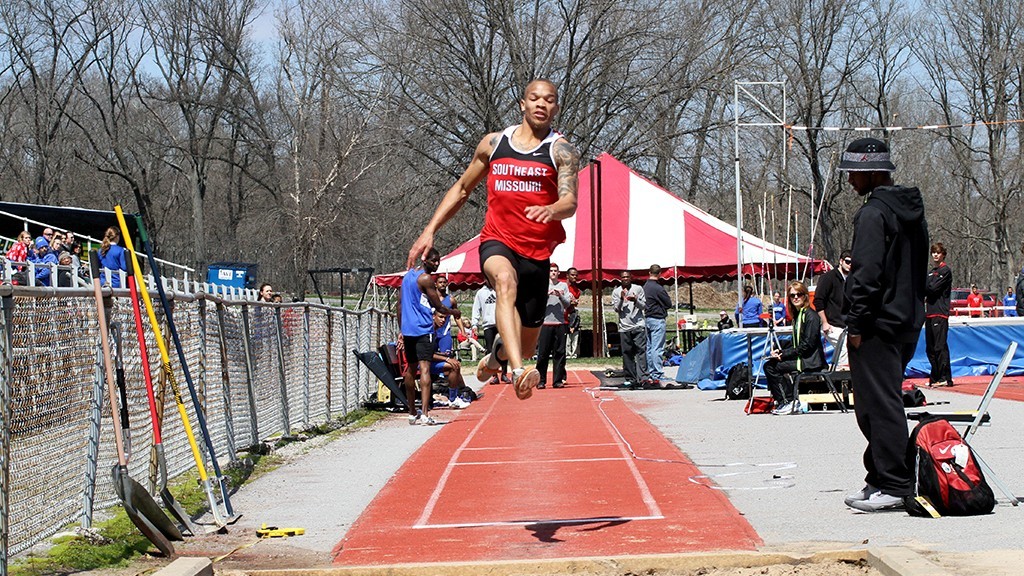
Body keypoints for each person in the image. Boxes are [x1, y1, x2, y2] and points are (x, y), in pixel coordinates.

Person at [406, 78, 579, 400]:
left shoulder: (561, 150)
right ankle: (517, 371)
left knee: (528, 342)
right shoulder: (494, 144)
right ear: (523, 104)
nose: (541, 104)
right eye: (535, 98)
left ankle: (498, 357)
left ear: (556, 107)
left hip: (537, 254)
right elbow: (461, 189)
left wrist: (553, 208)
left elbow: (570, 202)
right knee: (504, 282)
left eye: (549, 100)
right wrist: (429, 230)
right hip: (497, 241)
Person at [840, 137, 928, 513]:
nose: (849, 181)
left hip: (876, 323)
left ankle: (894, 483)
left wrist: (856, 323)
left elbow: (866, 275)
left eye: (854, 174)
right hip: (905, 319)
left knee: (879, 404)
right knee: (879, 401)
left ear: (873, 172)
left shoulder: (874, 214)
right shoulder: (911, 212)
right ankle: (879, 476)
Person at [398, 248, 460, 426]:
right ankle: (424, 414)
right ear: (425, 260)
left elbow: (400, 305)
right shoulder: (425, 279)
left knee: (410, 369)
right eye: (434, 261)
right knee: (423, 369)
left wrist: (402, 328)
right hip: (423, 329)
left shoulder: (407, 277)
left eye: (439, 261)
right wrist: (455, 312)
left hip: (409, 330)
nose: (437, 264)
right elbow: (439, 307)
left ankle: (412, 412)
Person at [764, 281, 825, 415]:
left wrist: (785, 355)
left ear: (805, 296)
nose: (796, 298)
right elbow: (796, 342)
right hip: (802, 357)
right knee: (770, 364)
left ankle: (789, 401)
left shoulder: (811, 316)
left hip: (810, 361)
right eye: (792, 296)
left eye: (799, 294)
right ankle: (783, 401)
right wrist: (779, 350)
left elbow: (807, 345)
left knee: (771, 367)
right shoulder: (798, 316)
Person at [813, 249, 852, 369]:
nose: (850, 265)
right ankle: (843, 380)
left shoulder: (852, 279)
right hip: (832, 324)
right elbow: (818, 300)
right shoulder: (828, 277)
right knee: (844, 348)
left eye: (852, 263)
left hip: (847, 324)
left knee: (846, 351)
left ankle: (838, 374)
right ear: (841, 261)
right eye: (847, 262)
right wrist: (824, 322)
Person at [535, 263, 571, 389]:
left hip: (560, 323)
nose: (553, 273)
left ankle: (557, 380)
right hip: (546, 323)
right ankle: (541, 380)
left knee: (560, 353)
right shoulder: (542, 285)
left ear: (558, 273)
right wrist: (547, 294)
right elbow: (537, 303)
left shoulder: (564, 286)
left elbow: (567, 305)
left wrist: (560, 295)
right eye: (551, 271)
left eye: (555, 271)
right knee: (543, 354)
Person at [924, 243, 954, 387]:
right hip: (929, 313)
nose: (935, 255)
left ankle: (945, 377)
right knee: (930, 348)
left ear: (943, 254)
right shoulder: (930, 272)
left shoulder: (945, 271)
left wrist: (925, 286)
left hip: (940, 313)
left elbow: (932, 288)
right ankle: (935, 377)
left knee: (939, 347)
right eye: (933, 253)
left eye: (938, 252)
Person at [612, 271, 647, 387]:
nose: (625, 279)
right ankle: (630, 378)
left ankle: (643, 377)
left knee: (641, 352)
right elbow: (617, 309)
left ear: (631, 278)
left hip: (638, 325)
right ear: (620, 279)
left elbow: (644, 306)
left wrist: (635, 300)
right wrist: (622, 299)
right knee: (627, 353)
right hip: (624, 327)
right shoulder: (616, 292)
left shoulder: (638, 289)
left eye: (627, 277)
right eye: (623, 277)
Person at [430, 310, 471, 409]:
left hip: (429, 360)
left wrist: (443, 355)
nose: (443, 320)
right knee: (453, 366)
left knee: (454, 363)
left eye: (445, 318)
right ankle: (453, 399)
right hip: (423, 364)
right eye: (440, 317)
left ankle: (455, 395)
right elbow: (427, 354)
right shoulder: (429, 331)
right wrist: (447, 359)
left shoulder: (435, 331)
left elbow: (431, 352)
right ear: (433, 316)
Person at [471, 281, 508, 384]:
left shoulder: (500, 290)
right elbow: (476, 309)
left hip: (501, 323)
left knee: (504, 349)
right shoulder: (481, 293)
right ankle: (493, 375)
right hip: (488, 325)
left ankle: (504, 373)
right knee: (490, 350)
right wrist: (475, 324)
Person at [643, 264, 672, 386]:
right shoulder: (659, 288)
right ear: (660, 274)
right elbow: (668, 303)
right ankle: (657, 373)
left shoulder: (645, 287)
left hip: (647, 318)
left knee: (649, 347)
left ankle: (650, 372)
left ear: (649, 272)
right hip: (657, 318)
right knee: (657, 348)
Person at [564, 267, 582, 359]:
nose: (575, 277)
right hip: (561, 315)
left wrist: (574, 303)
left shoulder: (576, 290)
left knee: (572, 336)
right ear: (567, 276)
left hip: (570, 315)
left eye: (576, 275)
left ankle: (572, 354)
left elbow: (575, 303)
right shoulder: (562, 286)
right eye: (572, 275)